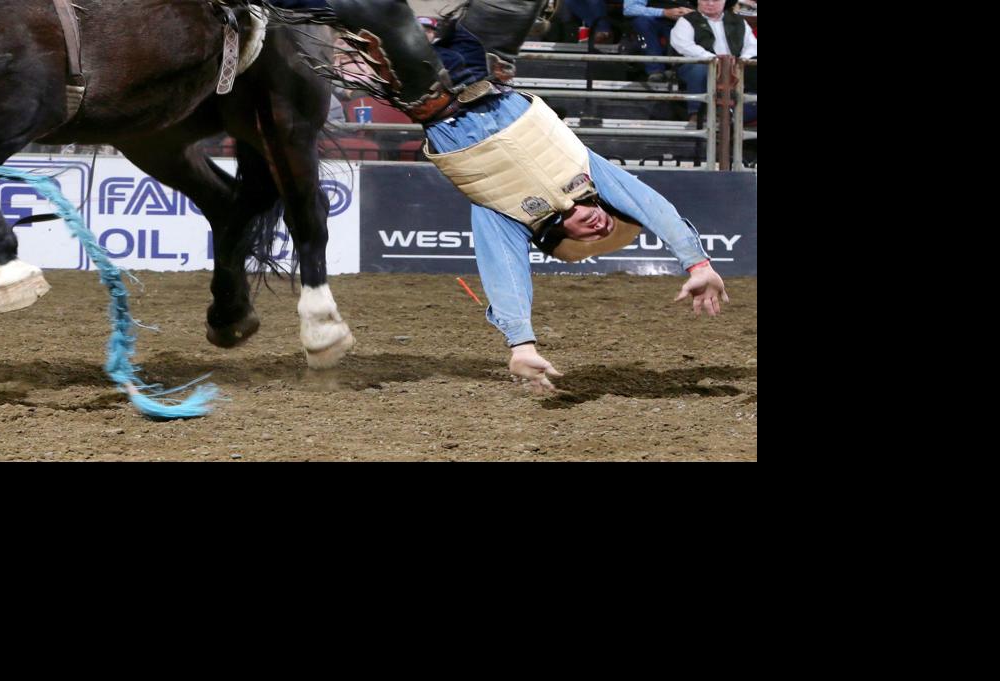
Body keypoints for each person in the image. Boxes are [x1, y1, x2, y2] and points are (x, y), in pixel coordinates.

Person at [267, 0, 728, 393]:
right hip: (481, 62)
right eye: (607, 223)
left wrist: (522, 344)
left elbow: (505, 275)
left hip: (430, 92)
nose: (600, 227)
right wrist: (698, 262)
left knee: (373, 9)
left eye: (587, 237)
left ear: (552, 236)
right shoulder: (586, 171)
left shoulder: (505, 215)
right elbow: (651, 205)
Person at [669, 0, 755, 123]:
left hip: (735, 65)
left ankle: (735, 116)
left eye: (715, 0)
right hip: (699, 65)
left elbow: (752, 46)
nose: (710, 3)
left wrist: (741, 61)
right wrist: (715, 60)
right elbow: (684, 45)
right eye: (704, 0)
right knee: (700, 69)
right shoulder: (687, 21)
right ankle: (696, 114)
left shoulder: (739, 21)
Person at [622, 2, 695, 88]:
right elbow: (630, 9)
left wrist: (695, 13)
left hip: (691, 18)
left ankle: (679, 72)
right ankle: (655, 71)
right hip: (655, 19)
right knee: (642, 21)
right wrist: (664, 12)